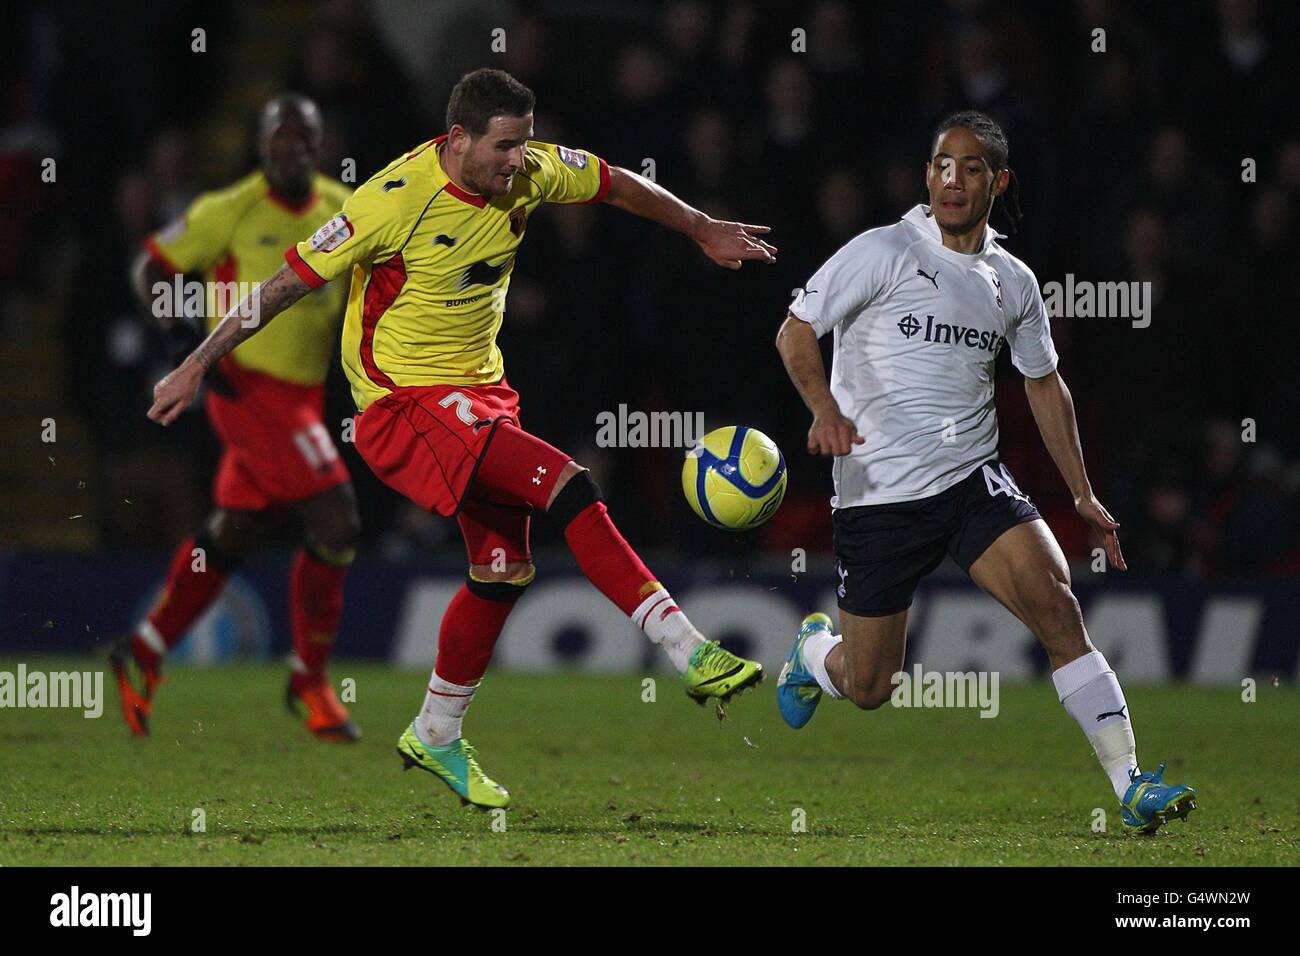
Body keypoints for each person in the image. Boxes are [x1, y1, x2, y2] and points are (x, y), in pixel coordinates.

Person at [147, 68, 778, 809]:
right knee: (568, 484)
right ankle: (687, 649)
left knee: (504, 571)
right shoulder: (388, 201)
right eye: (506, 146)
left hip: (479, 395)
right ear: (458, 141)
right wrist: (195, 363)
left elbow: (614, 183)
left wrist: (701, 227)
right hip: (403, 402)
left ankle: (436, 731)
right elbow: (285, 284)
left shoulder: (530, 173)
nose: (520, 159)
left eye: (525, 143)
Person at [773, 110, 1196, 835]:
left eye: (971, 168)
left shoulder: (1013, 280)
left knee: (1060, 612)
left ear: (997, 182)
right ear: (926, 175)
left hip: (974, 481)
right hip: (879, 495)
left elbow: (1043, 383)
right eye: (941, 164)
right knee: (872, 687)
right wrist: (822, 410)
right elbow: (795, 329)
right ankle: (814, 654)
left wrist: (1082, 492)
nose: (952, 179)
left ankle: (1131, 786)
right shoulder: (882, 250)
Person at [112, 95, 363, 742]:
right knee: (336, 521)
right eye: (280, 138)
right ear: (260, 144)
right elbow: (152, 265)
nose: (291, 150)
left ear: (319, 143)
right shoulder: (229, 209)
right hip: (247, 390)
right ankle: (309, 680)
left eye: (303, 138)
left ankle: (141, 650)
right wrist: (178, 343)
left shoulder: (344, 207)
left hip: (304, 396)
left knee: (236, 532)